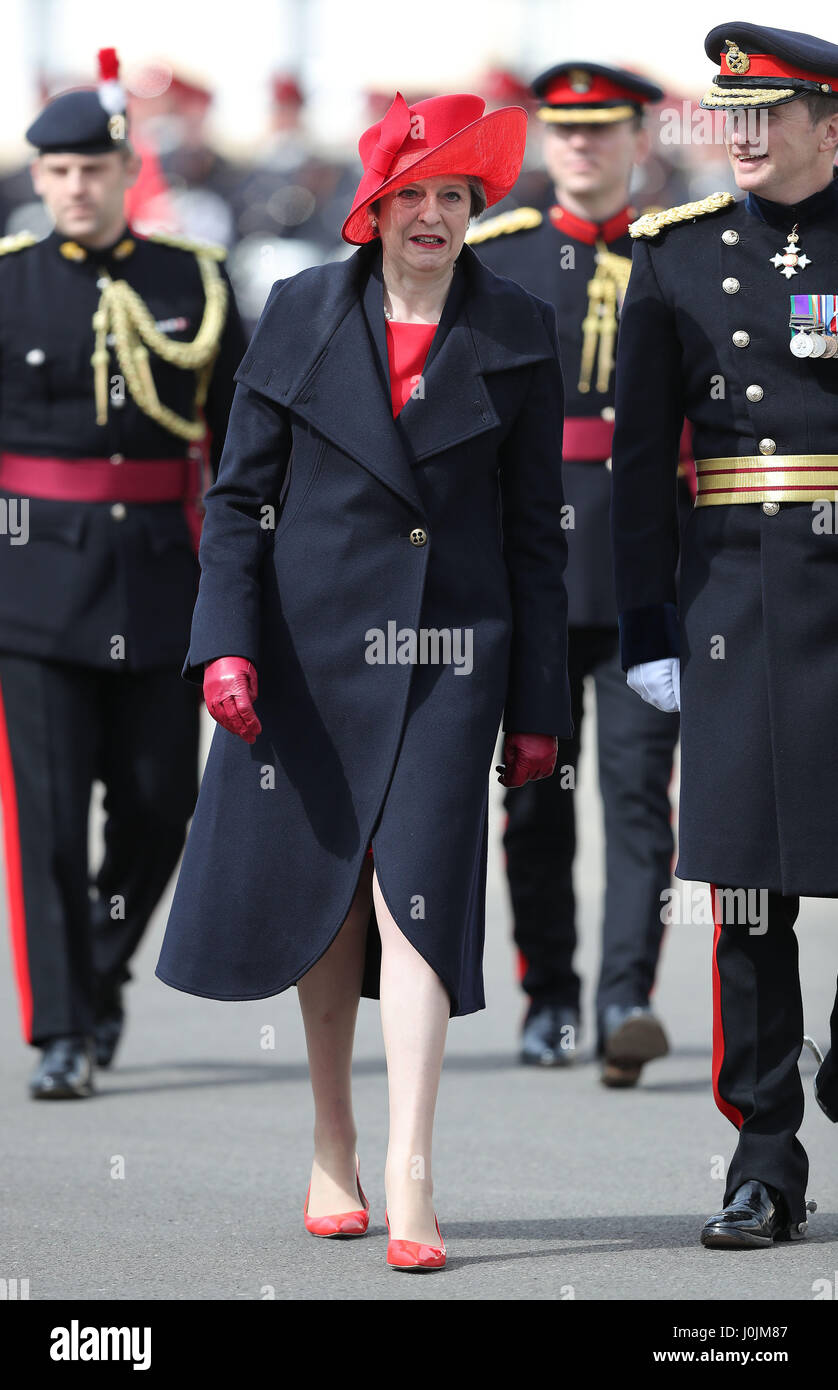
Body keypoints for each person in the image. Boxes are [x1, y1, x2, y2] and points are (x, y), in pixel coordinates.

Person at [155, 90, 572, 1269]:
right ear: (372, 209)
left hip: (452, 652)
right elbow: (236, 500)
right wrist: (222, 642)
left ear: (476, 210)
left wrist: (539, 701)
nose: (433, 215)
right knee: (330, 894)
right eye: (413, 196)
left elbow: (537, 531)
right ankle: (334, 1140)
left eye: (454, 196)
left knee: (422, 888)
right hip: (304, 648)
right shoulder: (294, 311)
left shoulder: (520, 326)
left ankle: (409, 1167)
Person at [610, 21, 838, 1247]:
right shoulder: (677, 257)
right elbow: (642, 468)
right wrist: (648, 624)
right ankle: (764, 1155)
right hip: (735, 598)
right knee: (747, 888)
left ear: (829, 125)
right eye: (729, 115)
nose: (741, 134)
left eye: (769, 113)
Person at [0, 49, 246, 1099]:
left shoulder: (190, 279)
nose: (73, 188)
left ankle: (101, 971)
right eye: (55, 172)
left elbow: (238, 442)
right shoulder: (7, 282)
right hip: (33, 584)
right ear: (39, 177)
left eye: (91, 169)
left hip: (156, 579)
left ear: (123, 166)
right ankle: (62, 1026)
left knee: (159, 806)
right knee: (49, 820)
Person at [469, 63, 690, 1084]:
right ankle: (550, 996)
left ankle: (624, 999)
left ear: (637, 137)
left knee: (639, 792)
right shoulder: (497, 258)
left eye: (601, 131)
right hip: (535, 572)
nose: (581, 147)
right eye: (563, 131)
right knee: (536, 793)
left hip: (647, 564)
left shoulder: (679, 253)